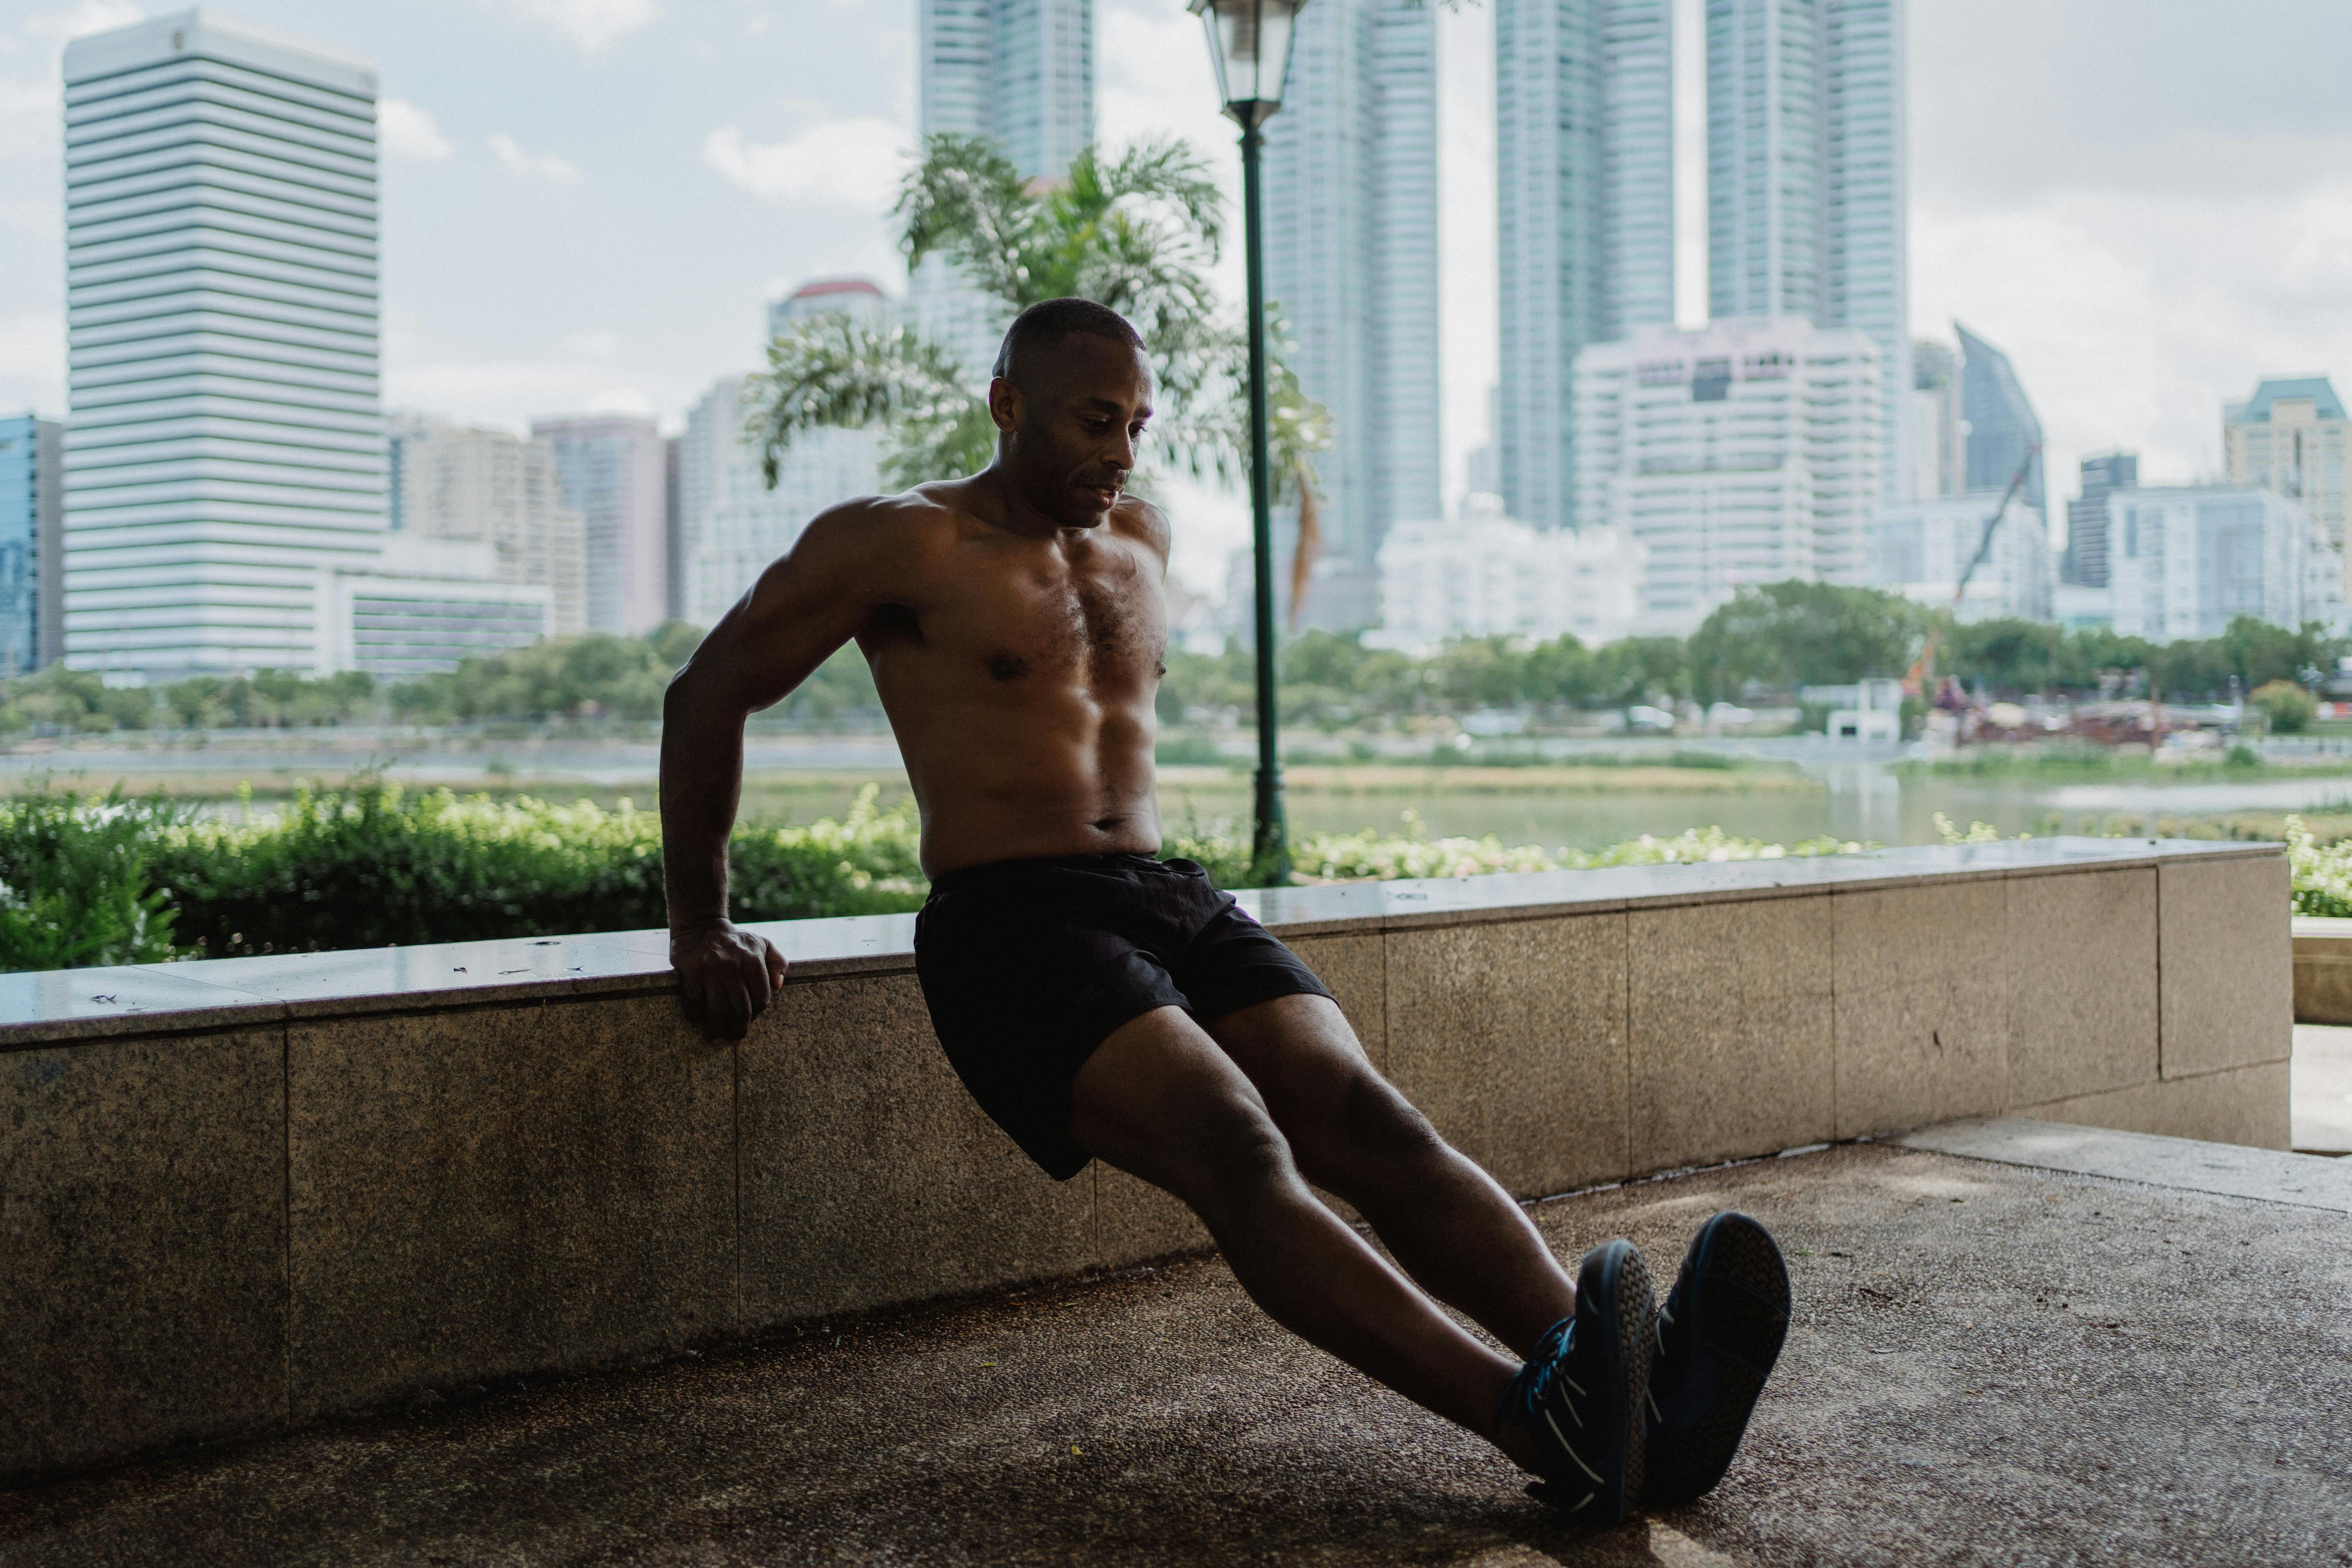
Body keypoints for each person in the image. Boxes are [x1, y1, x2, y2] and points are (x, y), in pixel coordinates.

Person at [660, 297, 1791, 1524]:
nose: (1123, 452)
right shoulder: (896, 543)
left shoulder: (1139, 532)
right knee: (1240, 1148)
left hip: (1166, 892)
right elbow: (707, 693)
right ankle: (1539, 1414)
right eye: (1097, 420)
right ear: (1007, 404)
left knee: (1370, 1117)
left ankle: (1643, 1400)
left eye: (1138, 423)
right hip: (1012, 920)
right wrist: (699, 922)